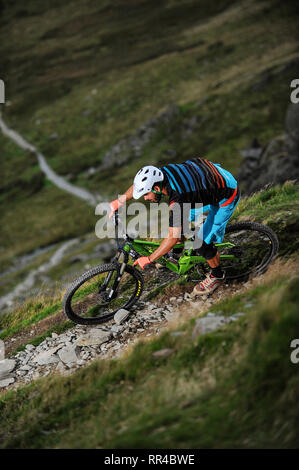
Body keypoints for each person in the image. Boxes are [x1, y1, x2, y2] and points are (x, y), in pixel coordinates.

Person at [109, 158, 240, 296]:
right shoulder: (161, 174)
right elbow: (138, 186)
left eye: (146, 194)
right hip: (209, 178)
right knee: (176, 224)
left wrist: (149, 259)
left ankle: (217, 276)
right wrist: (118, 202)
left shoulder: (179, 198)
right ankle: (177, 252)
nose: (145, 199)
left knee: (200, 243)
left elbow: (173, 236)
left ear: (157, 188)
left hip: (226, 194)